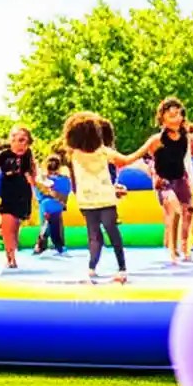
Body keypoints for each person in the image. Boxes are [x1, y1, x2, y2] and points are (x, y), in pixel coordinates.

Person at [63, 112, 137, 283]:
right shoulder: (101, 152)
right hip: (101, 199)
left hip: (90, 200)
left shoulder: (75, 154)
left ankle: (96, 267)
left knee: (95, 235)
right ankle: (116, 267)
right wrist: (147, 146)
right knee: (109, 231)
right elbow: (126, 160)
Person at [130, 97, 193, 264]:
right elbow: (136, 155)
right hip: (164, 181)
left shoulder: (185, 134)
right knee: (174, 210)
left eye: (178, 114)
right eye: (171, 116)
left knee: (189, 209)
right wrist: (120, 160)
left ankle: (184, 246)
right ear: (162, 119)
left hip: (180, 178)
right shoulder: (157, 140)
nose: (176, 118)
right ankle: (172, 249)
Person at [0, 127, 35, 269]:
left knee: (15, 227)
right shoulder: (4, 155)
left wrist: (33, 180)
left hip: (23, 195)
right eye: (16, 140)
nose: (20, 144)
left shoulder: (28, 155)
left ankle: (12, 252)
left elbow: (30, 174)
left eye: (23, 141)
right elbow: (8, 170)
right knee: (8, 226)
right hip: (8, 195)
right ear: (11, 141)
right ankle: (10, 257)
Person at [33, 155, 72, 255]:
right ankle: (59, 245)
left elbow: (38, 195)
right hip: (57, 205)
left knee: (46, 223)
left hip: (45, 205)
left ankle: (41, 245)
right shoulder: (64, 179)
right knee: (56, 223)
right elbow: (65, 195)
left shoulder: (41, 180)